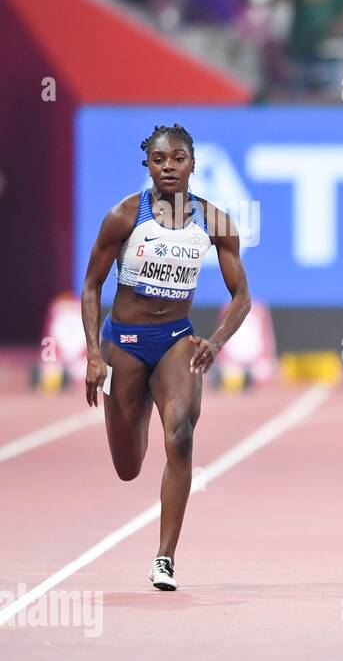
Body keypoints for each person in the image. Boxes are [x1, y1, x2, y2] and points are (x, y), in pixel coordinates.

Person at [80, 125, 252, 591]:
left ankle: (164, 557)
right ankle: (127, 415)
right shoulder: (123, 217)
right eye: (160, 160)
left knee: (180, 434)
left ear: (193, 165)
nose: (170, 167)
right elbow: (92, 286)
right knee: (128, 466)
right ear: (148, 166)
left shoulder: (214, 221)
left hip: (177, 339)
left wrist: (214, 342)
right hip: (125, 345)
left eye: (179, 159)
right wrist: (95, 355)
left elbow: (242, 297)